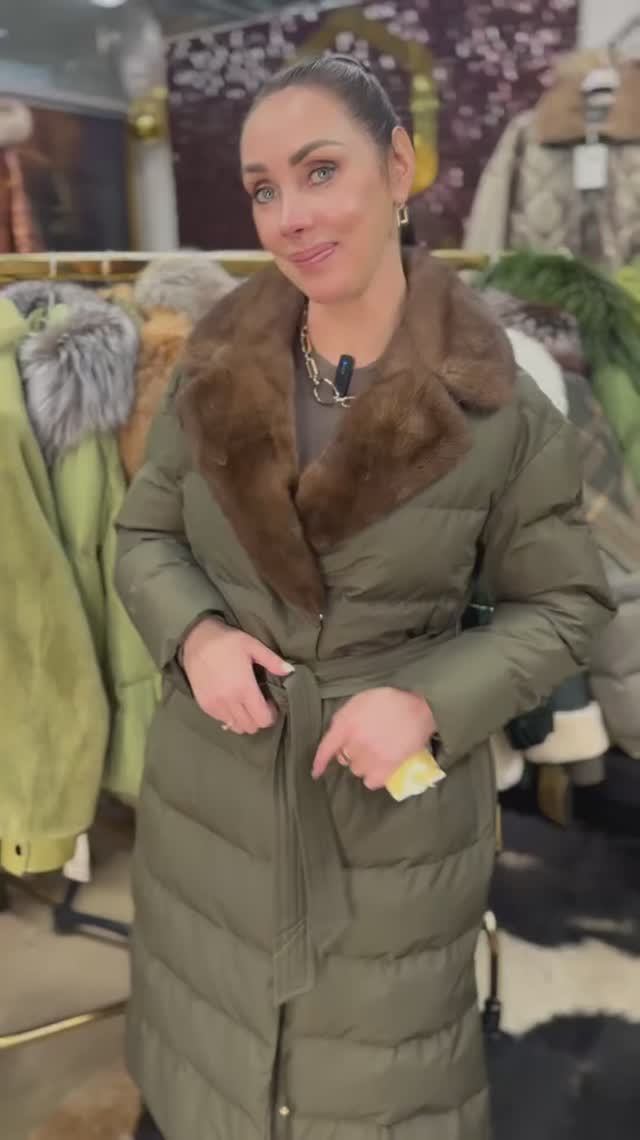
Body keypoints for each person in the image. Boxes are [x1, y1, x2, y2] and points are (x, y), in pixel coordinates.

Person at [116, 55, 613, 1140]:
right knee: (202, 1061)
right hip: (210, 791)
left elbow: (566, 604)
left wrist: (429, 702)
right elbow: (145, 534)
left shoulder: (499, 399)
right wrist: (195, 633)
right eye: (262, 189)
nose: (288, 216)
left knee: (373, 1083)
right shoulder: (211, 366)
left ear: (398, 166)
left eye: (318, 171)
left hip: (387, 814)